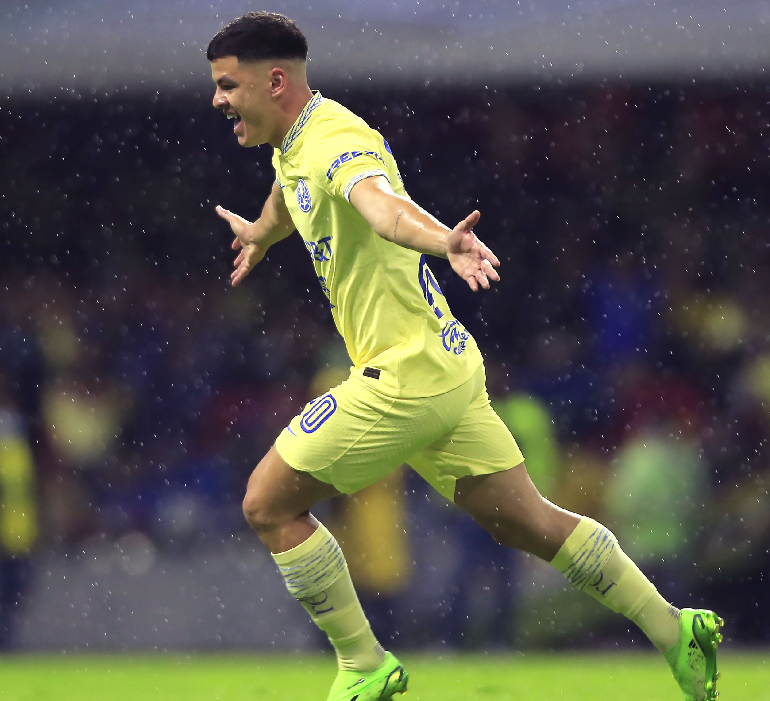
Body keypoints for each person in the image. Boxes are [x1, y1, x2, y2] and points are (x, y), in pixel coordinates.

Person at [208, 12, 722, 700]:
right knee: (531, 522)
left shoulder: (334, 140)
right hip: (448, 366)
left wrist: (442, 239)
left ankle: (363, 663)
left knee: (267, 504)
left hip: (404, 376)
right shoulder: (297, 141)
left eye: (226, 85)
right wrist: (264, 234)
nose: (217, 100)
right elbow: (289, 189)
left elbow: (385, 206)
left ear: (274, 81)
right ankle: (674, 629)